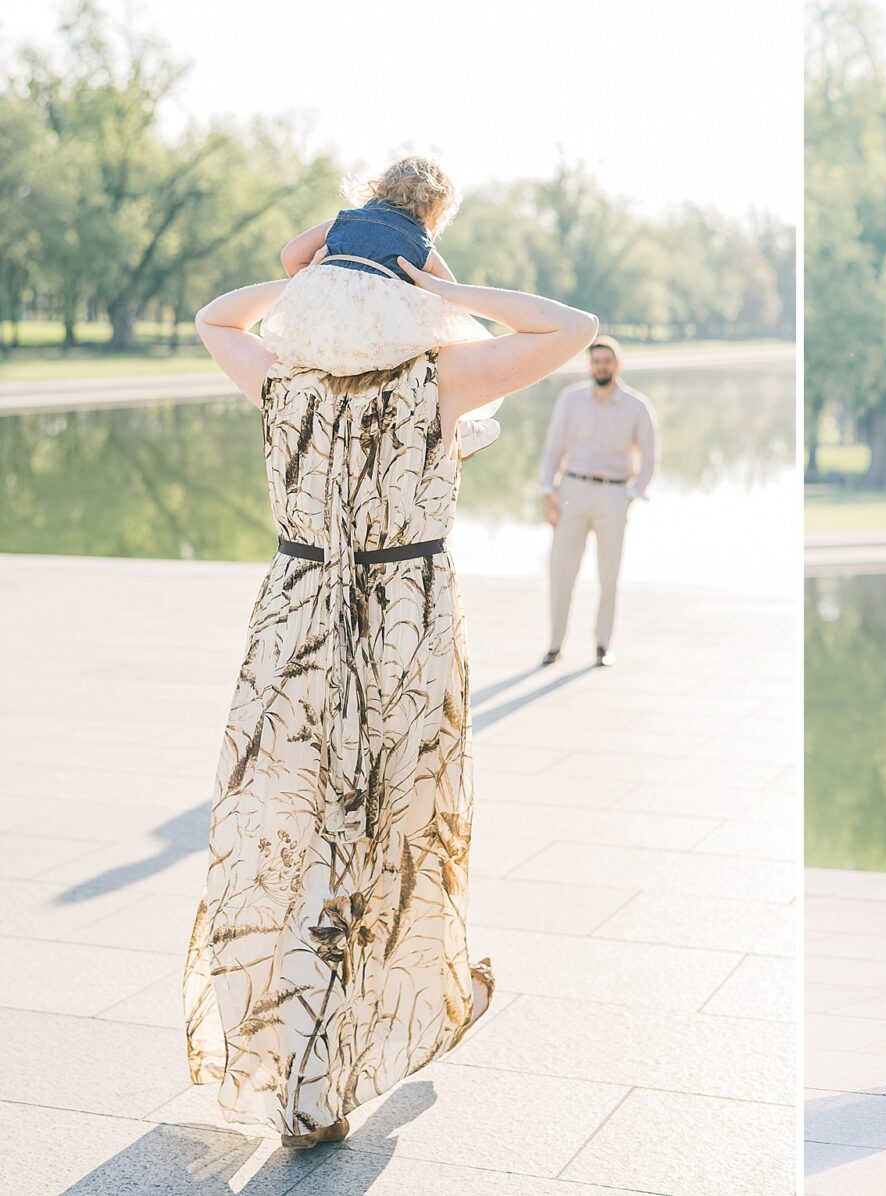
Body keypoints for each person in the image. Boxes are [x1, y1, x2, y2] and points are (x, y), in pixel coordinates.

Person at [186, 256, 597, 1146]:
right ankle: (352, 1058)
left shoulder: (282, 381)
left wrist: (296, 267)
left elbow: (216, 318)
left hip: (294, 621)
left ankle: (311, 1068)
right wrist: (449, 293)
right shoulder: (440, 379)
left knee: (297, 831)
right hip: (401, 621)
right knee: (388, 834)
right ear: (403, 299)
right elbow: (573, 327)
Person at [261, 155, 501, 459]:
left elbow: (290, 256)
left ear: (382, 187)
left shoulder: (343, 220)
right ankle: (459, 424)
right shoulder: (418, 242)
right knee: (452, 333)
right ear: (435, 208)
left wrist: (318, 279)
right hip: (380, 344)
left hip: (324, 333)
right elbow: (451, 296)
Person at [536, 335, 658, 668]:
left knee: (609, 574)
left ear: (617, 364)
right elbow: (553, 449)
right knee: (561, 572)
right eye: (596, 361)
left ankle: (603, 645)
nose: (601, 366)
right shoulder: (570, 399)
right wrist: (549, 492)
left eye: (607, 361)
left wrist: (630, 496)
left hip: (614, 494)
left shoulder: (637, 406)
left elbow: (650, 458)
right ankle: (555, 644)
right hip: (572, 490)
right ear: (590, 364)